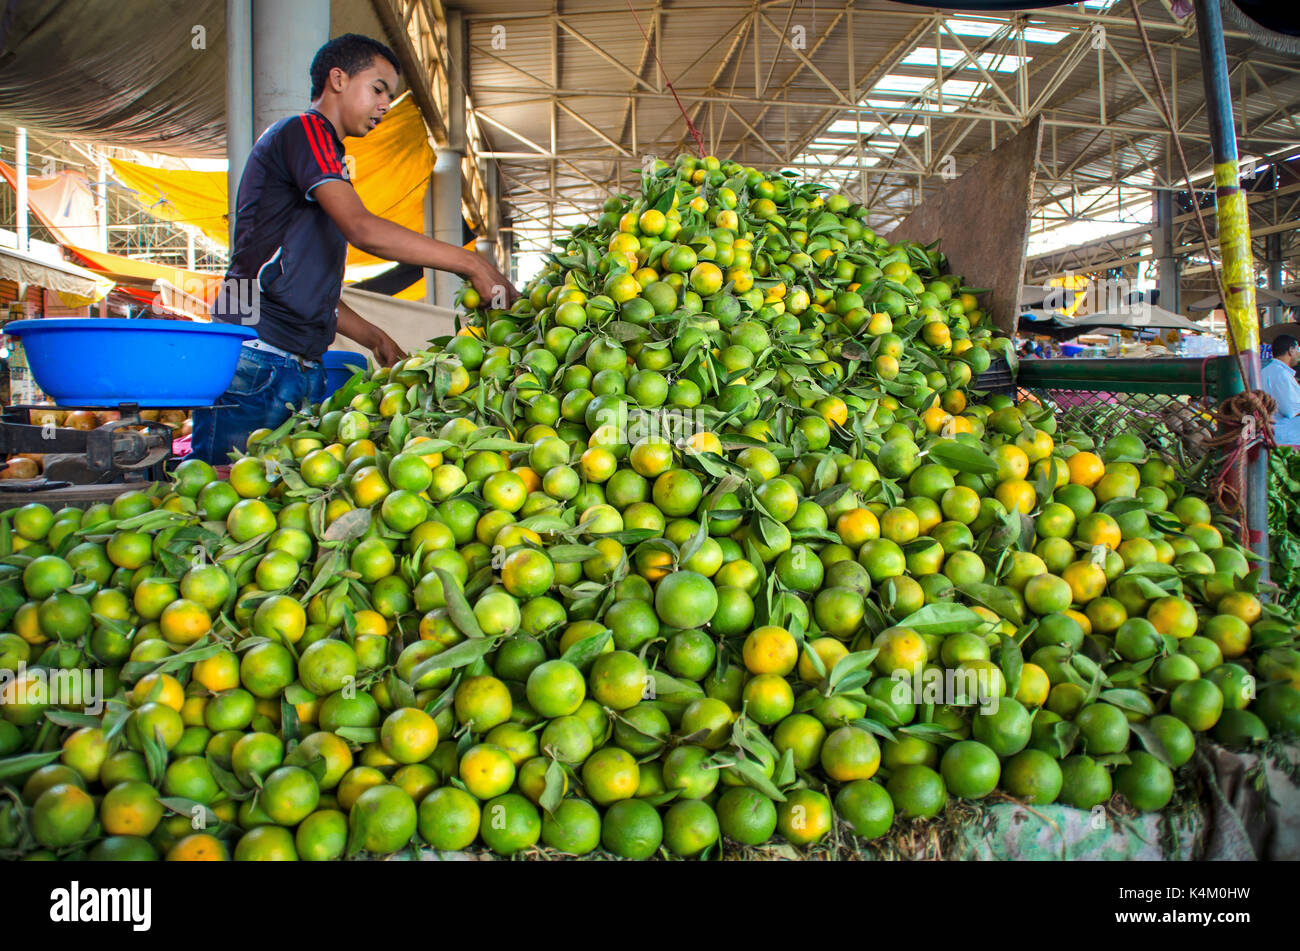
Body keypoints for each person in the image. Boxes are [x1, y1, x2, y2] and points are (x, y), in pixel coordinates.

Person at [191, 33, 516, 463]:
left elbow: (300, 284)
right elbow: (363, 229)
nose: (385, 105)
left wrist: (375, 337)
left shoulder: (325, 158)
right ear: (338, 79)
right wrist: (469, 262)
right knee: (222, 502)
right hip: (255, 356)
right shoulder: (303, 131)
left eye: (391, 97)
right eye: (378, 89)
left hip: (293, 363)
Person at [1261, 333, 1300, 447]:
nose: (1298, 354)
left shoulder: (1268, 370)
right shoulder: (1281, 374)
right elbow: (1292, 410)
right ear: (1291, 350)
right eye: (1297, 349)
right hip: (1278, 432)